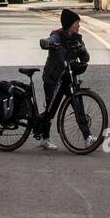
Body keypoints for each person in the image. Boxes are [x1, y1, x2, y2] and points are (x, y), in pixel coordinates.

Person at [39, 8, 94, 150]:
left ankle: (87, 137)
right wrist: (47, 43)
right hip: (53, 79)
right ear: (70, 24)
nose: (79, 26)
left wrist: (82, 50)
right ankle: (45, 138)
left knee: (78, 107)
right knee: (51, 109)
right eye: (77, 23)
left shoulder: (77, 39)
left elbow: (86, 58)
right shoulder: (56, 35)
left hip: (69, 79)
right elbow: (49, 41)